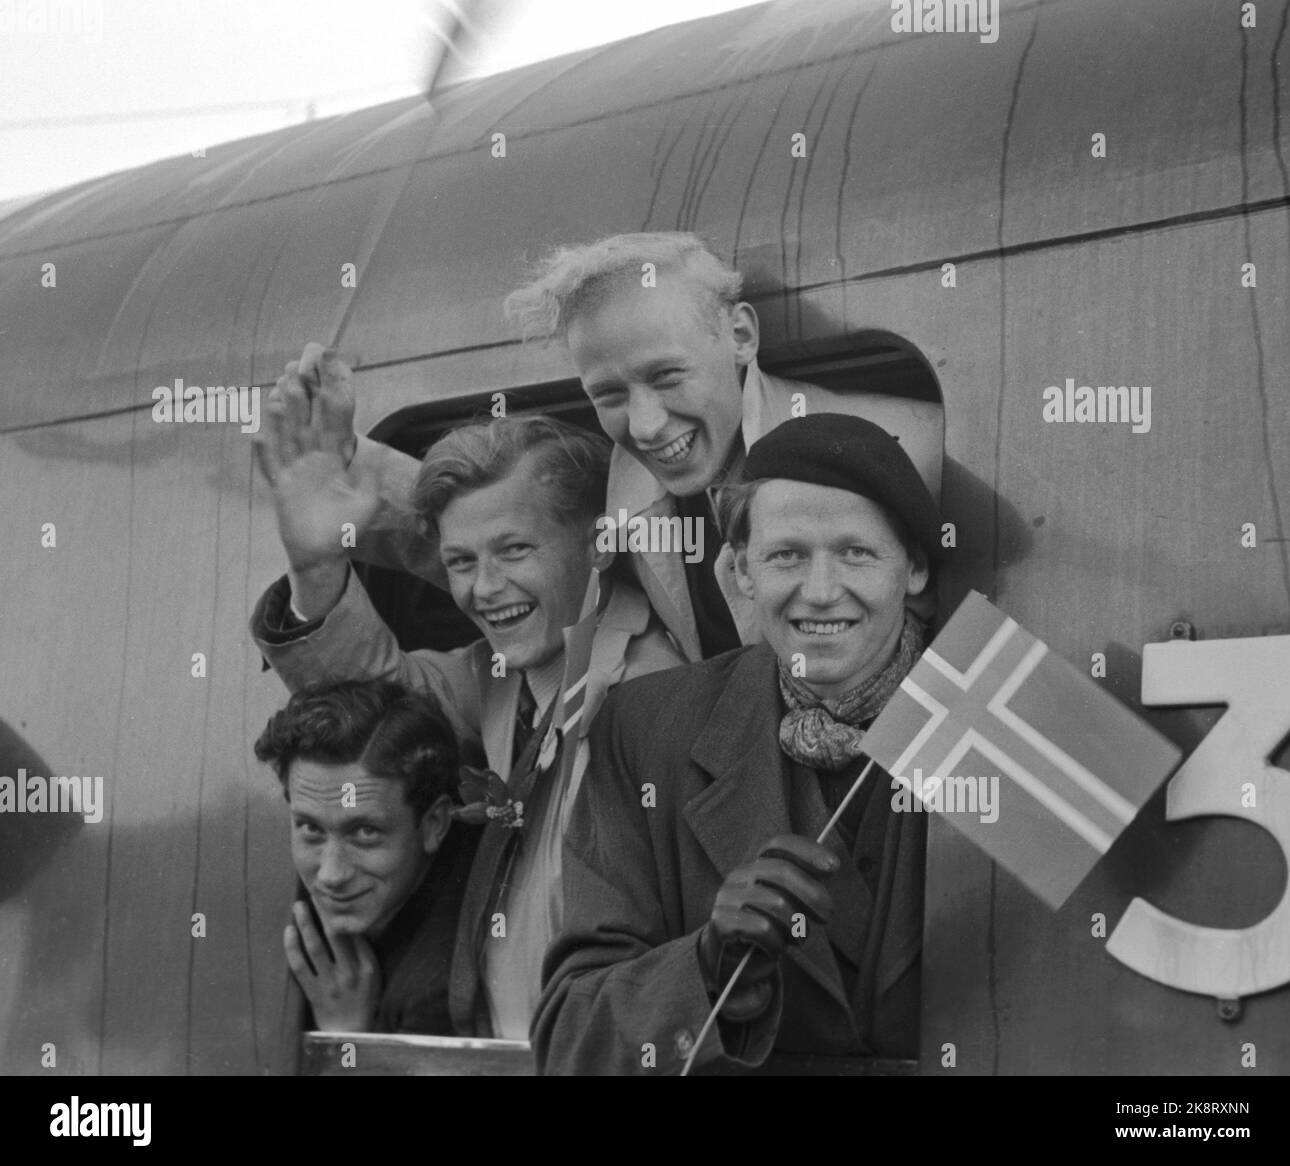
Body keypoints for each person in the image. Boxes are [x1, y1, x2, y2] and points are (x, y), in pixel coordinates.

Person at [295, 232, 940, 662]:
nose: (647, 425)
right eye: (607, 395)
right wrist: (354, 471)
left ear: (740, 336)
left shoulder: (903, 445)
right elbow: (530, 556)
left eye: (666, 377)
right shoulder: (628, 488)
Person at [532, 414, 942, 1075]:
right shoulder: (646, 732)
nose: (820, 590)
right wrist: (703, 972)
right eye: (786, 555)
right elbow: (569, 1041)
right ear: (743, 572)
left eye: (856, 553)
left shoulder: (998, 729)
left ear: (915, 568)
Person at [250, 412, 684, 1039]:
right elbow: (379, 719)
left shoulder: (649, 692)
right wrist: (316, 567)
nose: (483, 588)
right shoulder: (509, 673)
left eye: (515, 550)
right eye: (458, 562)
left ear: (598, 543)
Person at [254, 678, 473, 1035]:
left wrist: (345, 1038)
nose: (330, 874)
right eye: (311, 829)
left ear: (435, 823)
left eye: (364, 833)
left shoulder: (436, 990)